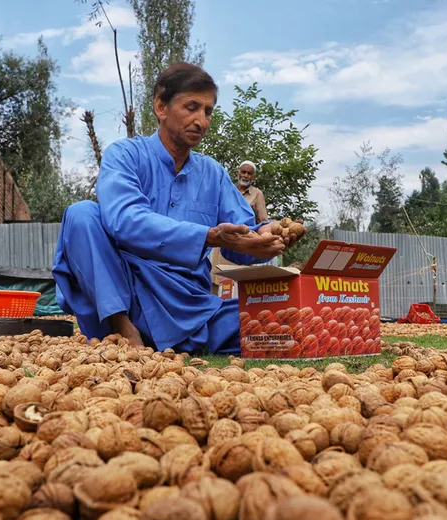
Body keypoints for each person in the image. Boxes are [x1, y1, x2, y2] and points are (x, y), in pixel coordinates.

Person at [52, 63, 303, 355]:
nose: (201, 121)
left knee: (283, 324)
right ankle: (123, 333)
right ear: (161, 106)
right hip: (125, 295)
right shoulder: (125, 156)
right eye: (191, 107)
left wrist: (267, 235)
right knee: (82, 214)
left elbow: (242, 239)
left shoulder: (213, 173)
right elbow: (125, 221)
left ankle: (174, 340)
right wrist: (208, 236)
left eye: (208, 111)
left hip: (189, 307)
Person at [210, 159, 270, 294]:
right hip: (222, 245)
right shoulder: (228, 189)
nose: (246, 175)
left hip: (242, 246)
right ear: (238, 173)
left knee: (237, 286)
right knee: (217, 283)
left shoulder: (257, 194)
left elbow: (263, 222)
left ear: (254, 177)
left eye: (249, 173)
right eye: (243, 172)